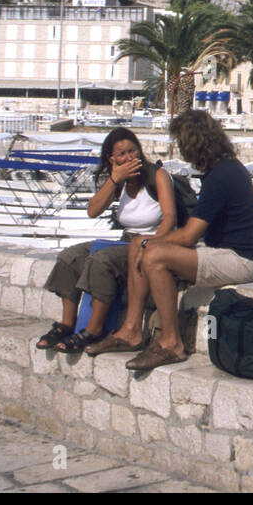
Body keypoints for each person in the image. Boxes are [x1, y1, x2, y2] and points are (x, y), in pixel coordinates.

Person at [87, 109, 253, 371]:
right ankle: (130, 330)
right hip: (220, 251)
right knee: (138, 244)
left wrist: (154, 244)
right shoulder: (222, 169)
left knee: (154, 255)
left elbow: (190, 233)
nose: (180, 149)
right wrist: (147, 242)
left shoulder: (222, 175)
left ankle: (171, 343)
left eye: (182, 143)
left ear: (194, 143)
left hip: (239, 259)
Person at [35, 128, 176, 353]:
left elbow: (170, 216)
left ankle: (94, 329)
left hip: (150, 242)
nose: (130, 158)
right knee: (69, 257)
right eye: (122, 154)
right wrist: (115, 178)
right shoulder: (120, 181)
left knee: (101, 261)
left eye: (133, 151)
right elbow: (93, 210)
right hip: (125, 240)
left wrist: (152, 243)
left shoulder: (156, 175)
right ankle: (67, 324)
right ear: (112, 159)